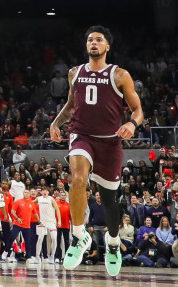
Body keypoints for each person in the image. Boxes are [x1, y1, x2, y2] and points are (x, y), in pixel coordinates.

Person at [49, 25, 145, 276]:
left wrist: (132, 124)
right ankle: (78, 237)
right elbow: (70, 106)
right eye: (90, 39)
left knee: (109, 202)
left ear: (107, 46)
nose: (93, 43)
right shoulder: (74, 73)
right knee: (78, 178)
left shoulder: (120, 75)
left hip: (110, 142)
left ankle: (113, 244)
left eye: (99, 40)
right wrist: (56, 123)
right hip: (81, 136)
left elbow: (138, 110)